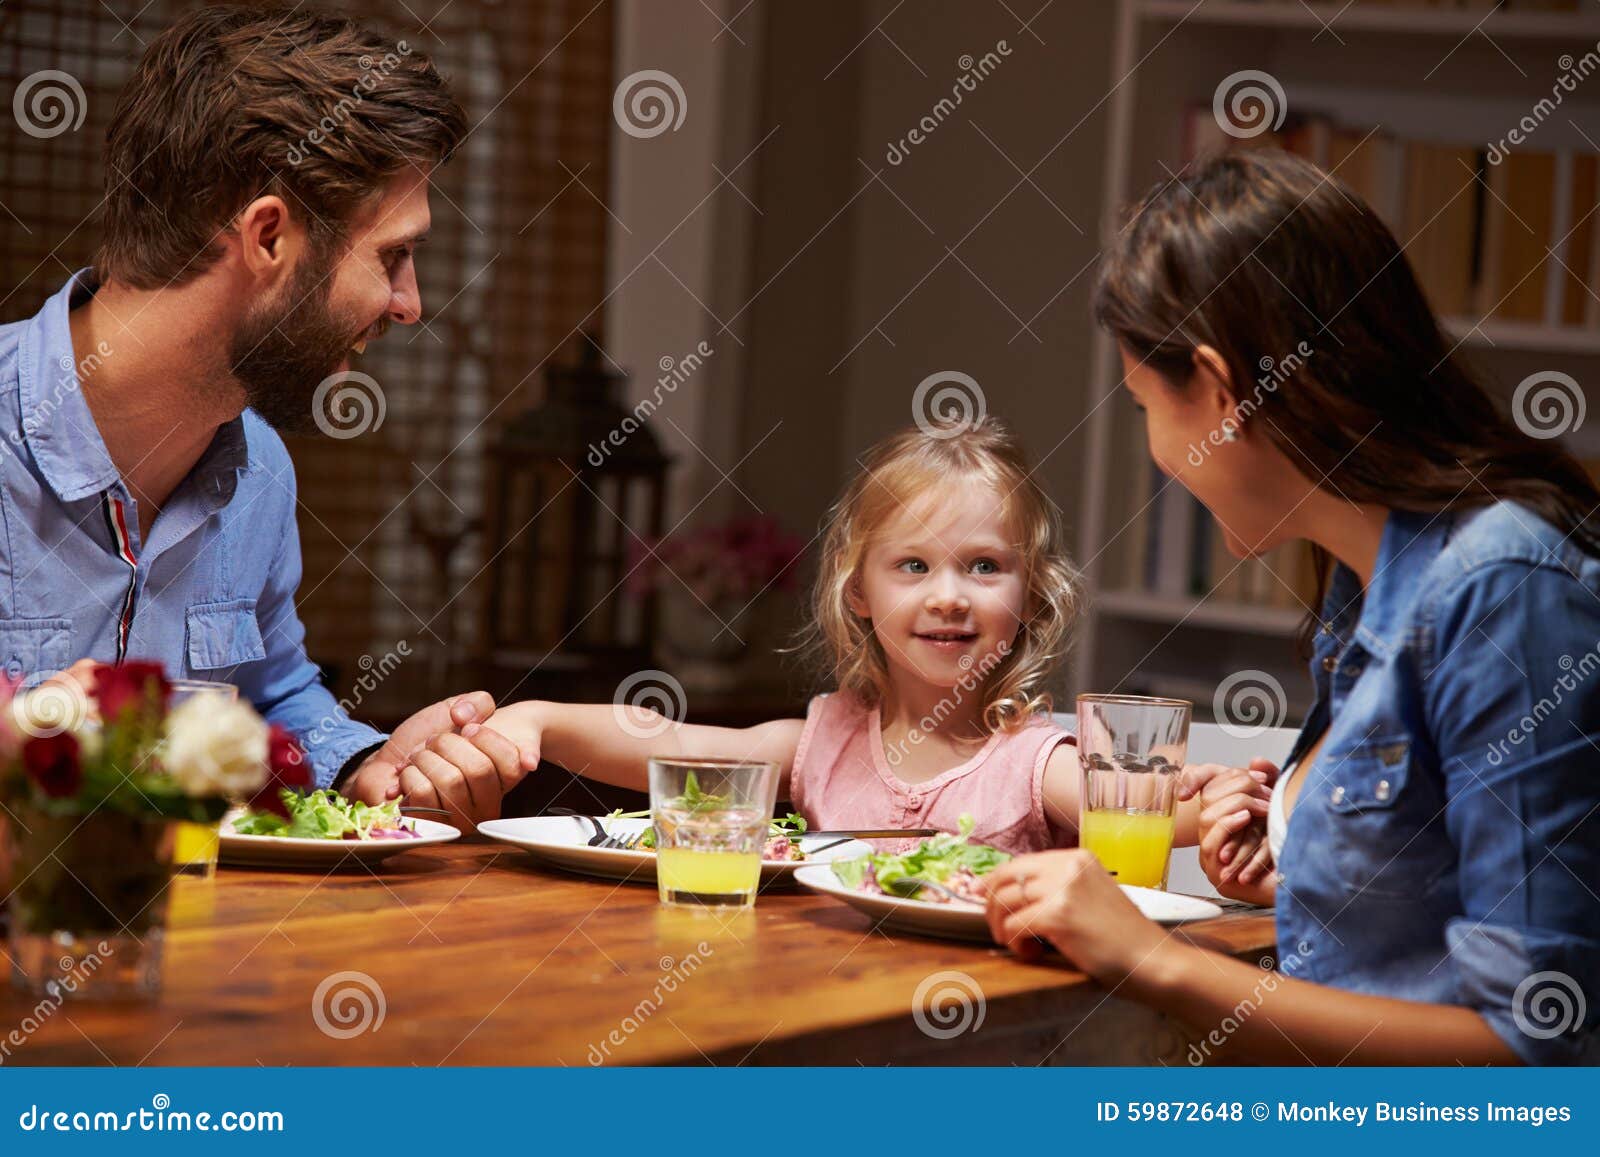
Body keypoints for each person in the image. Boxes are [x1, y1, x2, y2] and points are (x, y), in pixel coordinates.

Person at [984, 149, 1600, 1065]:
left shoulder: (1502, 589)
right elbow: (1427, 926)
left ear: (1220, 391)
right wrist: (1310, 885)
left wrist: (1157, 960)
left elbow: (1536, 1043)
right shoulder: (1363, 586)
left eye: (1145, 404)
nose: (1156, 451)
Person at [0, 7, 534, 828]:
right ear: (269, 236)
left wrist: (363, 764)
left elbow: (272, 693)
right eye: (392, 255)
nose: (410, 304)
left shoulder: (260, 470)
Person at [409, 416, 1214, 854]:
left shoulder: (1033, 763)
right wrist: (542, 720)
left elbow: (1139, 809)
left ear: (1030, 594)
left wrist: (1218, 809)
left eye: (983, 566)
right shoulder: (825, 742)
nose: (948, 597)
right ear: (858, 592)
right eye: (912, 566)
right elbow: (669, 742)